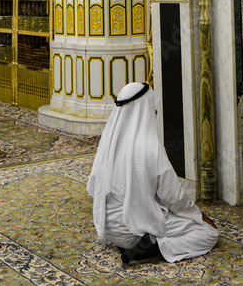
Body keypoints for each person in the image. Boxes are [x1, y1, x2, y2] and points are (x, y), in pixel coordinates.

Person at [87, 81, 218, 265]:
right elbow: (174, 197)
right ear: (142, 108)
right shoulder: (149, 146)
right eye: (152, 106)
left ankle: (140, 242)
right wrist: (198, 215)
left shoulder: (109, 141)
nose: (155, 112)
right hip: (134, 232)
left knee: (158, 209)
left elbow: (93, 187)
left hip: (109, 228)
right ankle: (154, 247)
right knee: (208, 233)